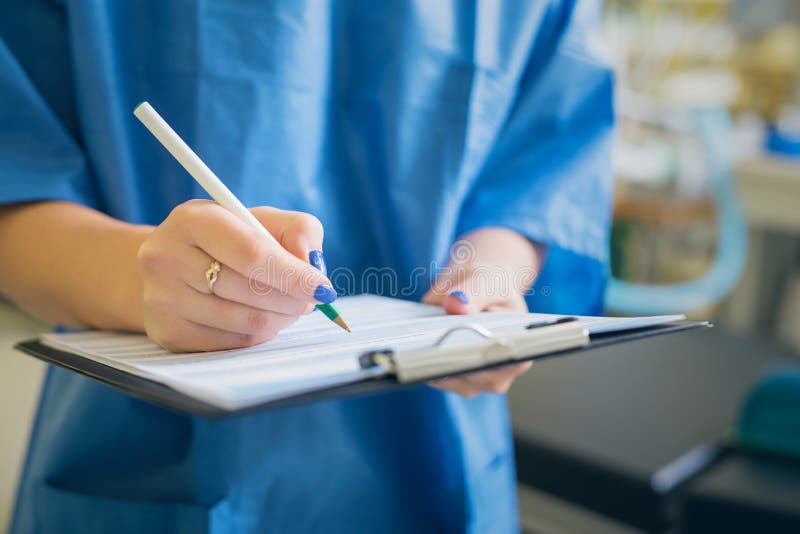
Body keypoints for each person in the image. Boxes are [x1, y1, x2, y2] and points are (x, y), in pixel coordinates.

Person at [0, 1, 613, 532]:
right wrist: (137, 278)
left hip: (438, 451)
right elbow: (15, 172)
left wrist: (488, 275)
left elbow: (541, 169)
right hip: (152, 450)